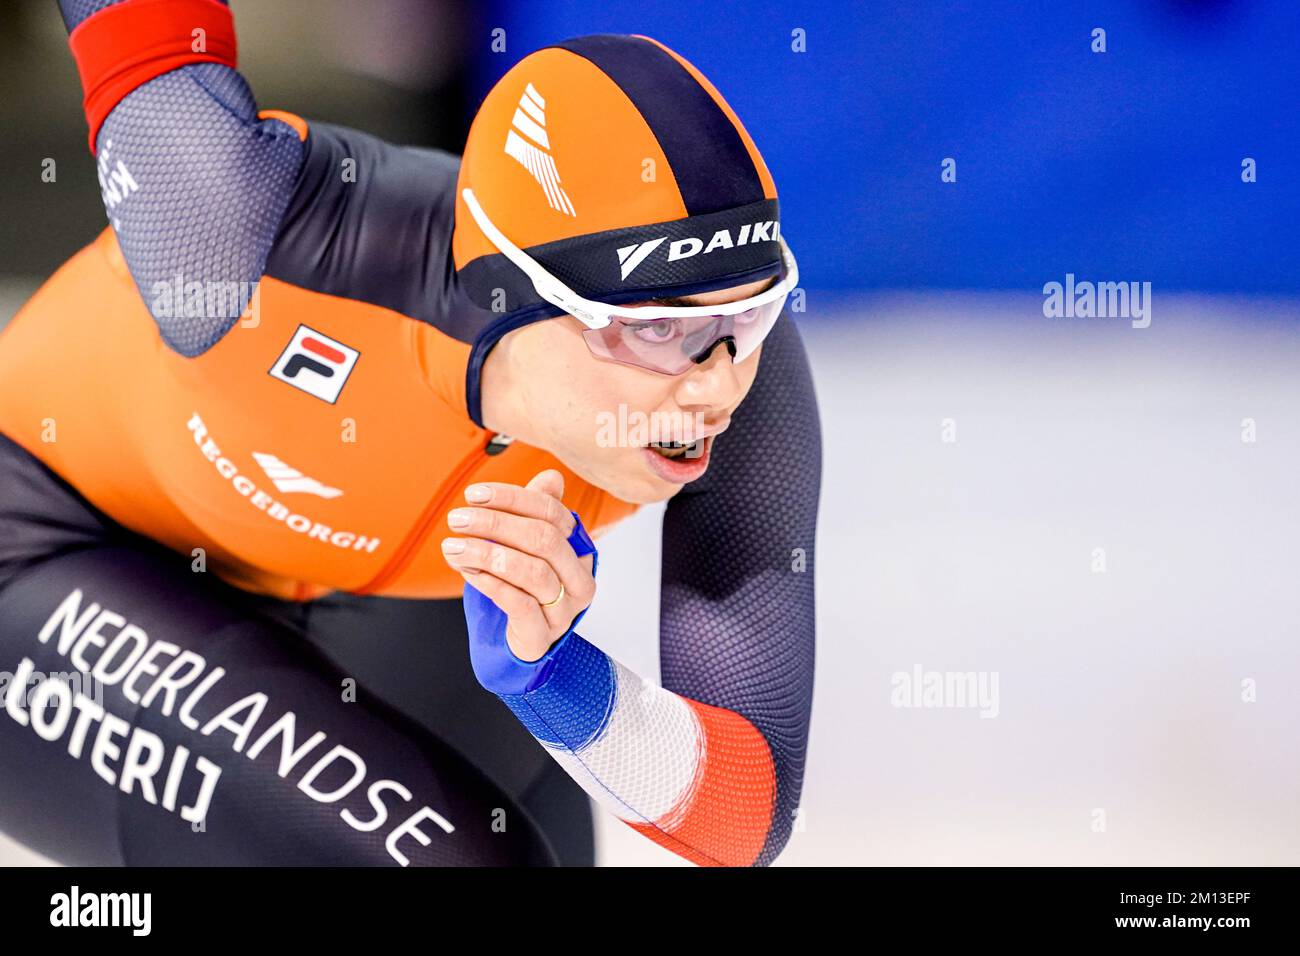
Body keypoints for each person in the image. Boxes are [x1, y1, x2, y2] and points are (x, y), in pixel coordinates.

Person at [0, 0, 821, 867]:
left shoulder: (740, 381)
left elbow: (743, 812)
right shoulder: (236, 237)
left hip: (344, 590)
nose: (718, 380)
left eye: (752, 313)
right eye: (657, 329)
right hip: (47, 543)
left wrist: (554, 680)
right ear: (525, 295)